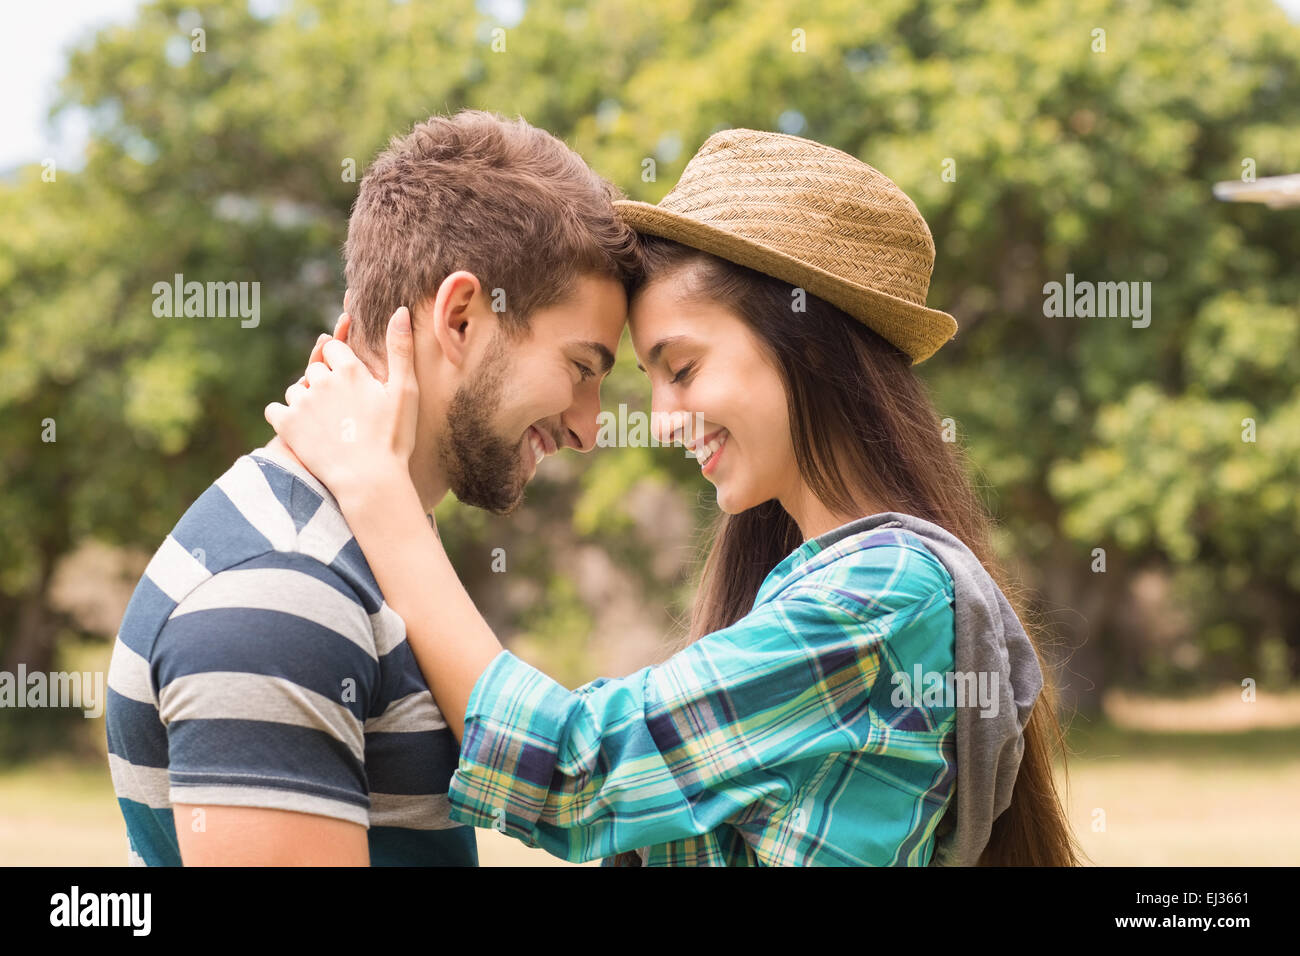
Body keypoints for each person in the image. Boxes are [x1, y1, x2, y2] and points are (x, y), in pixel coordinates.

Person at [267, 129, 1082, 866]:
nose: (660, 420)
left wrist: (378, 492)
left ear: (807, 345)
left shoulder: (883, 597)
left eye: (682, 368)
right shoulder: (812, 588)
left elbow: (573, 767)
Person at [103, 109, 641, 865]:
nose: (588, 428)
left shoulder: (358, 553)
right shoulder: (280, 594)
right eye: (582, 369)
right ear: (460, 318)